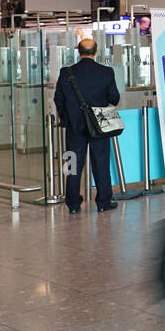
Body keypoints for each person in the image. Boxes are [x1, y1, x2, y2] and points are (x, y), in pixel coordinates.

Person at [53, 38, 121, 214]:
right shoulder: (106, 72)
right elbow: (114, 97)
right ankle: (104, 201)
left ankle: (73, 203)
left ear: (78, 51)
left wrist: (67, 117)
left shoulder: (66, 72)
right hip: (99, 125)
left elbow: (58, 99)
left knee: (73, 164)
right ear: (96, 52)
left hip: (74, 127)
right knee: (101, 162)